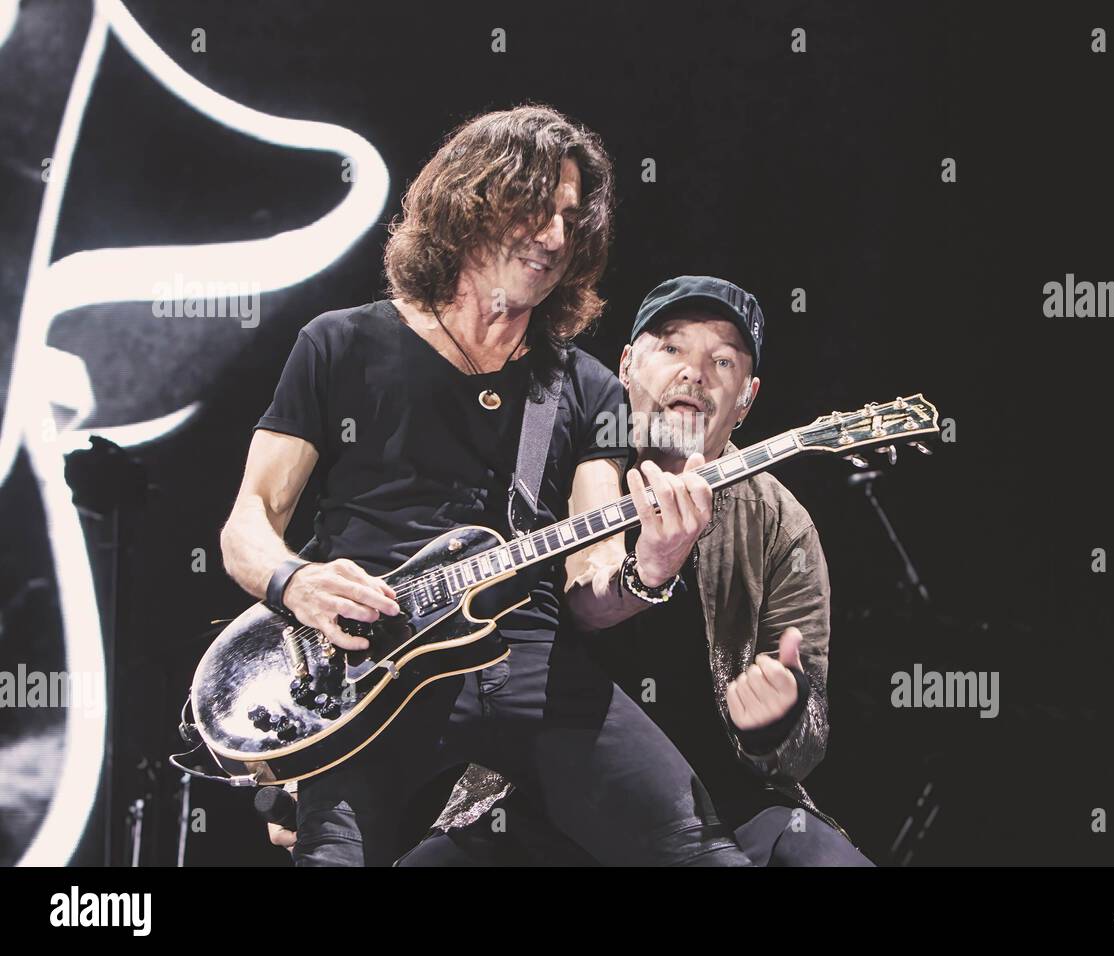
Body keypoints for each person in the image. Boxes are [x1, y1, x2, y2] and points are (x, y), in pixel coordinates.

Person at [222, 107, 752, 865]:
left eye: (571, 218)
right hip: (375, 663)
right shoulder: (340, 343)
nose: (555, 236)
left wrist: (652, 569)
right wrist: (296, 583)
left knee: (700, 849)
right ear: (469, 200)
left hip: (531, 664)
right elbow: (246, 523)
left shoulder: (584, 387)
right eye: (535, 207)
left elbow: (590, 580)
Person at [396, 277, 871, 866]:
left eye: (722, 360)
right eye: (672, 348)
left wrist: (776, 721)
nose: (695, 373)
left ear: (746, 398)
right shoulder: (544, 469)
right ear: (625, 364)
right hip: (537, 802)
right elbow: (419, 614)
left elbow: (805, 745)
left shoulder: (780, 523)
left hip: (724, 808)